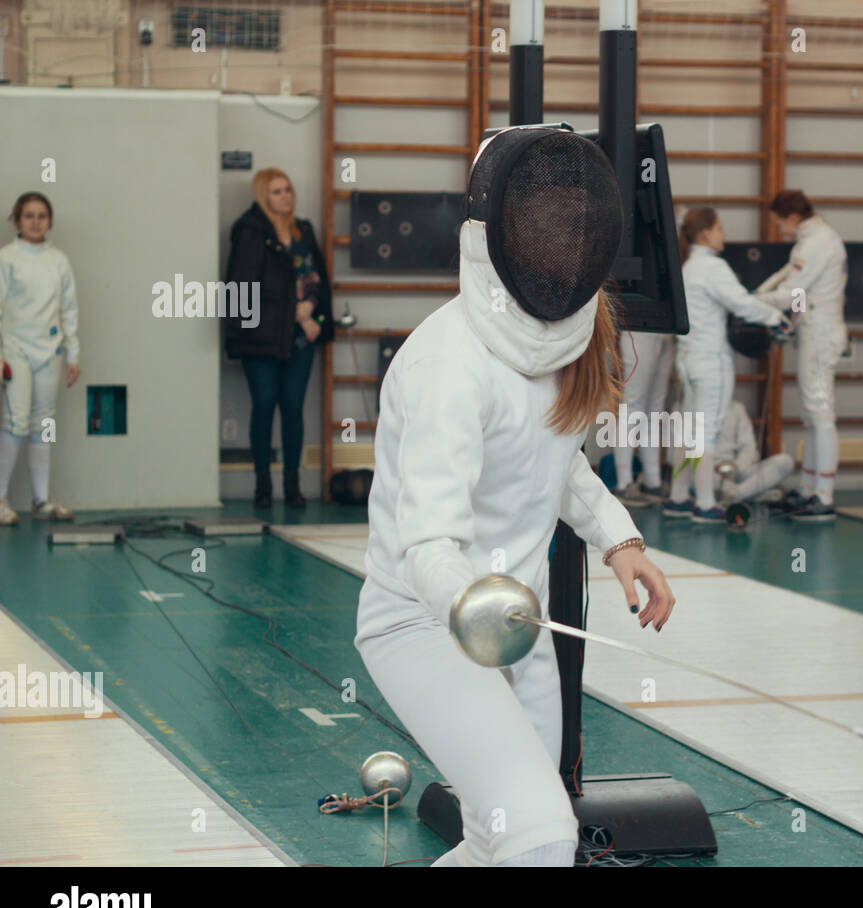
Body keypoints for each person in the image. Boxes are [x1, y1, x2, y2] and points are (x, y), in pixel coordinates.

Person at [353, 128, 675, 867]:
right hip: (425, 626)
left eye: (573, 220)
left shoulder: (571, 335)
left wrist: (621, 541)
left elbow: (551, 462)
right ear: (497, 229)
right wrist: (481, 613)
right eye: (541, 219)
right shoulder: (446, 363)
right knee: (541, 836)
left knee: (505, 840)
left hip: (518, 628)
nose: (559, 237)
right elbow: (427, 543)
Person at [666, 207, 786, 523]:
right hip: (710, 362)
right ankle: (705, 504)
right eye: (719, 228)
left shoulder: (688, 266)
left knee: (688, 432)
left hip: (687, 360)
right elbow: (741, 303)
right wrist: (775, 317)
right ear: (705, 233)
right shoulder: (712, 267)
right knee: (705, 434)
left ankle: (678, 498)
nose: (724, 234)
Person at [224, 168, 335, 509]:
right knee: (264, 405)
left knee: (293, 408)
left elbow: (318, 282)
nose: (285, 196)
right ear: (263, 196)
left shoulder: (304, 230)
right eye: (276, 191)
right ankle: (262, 485)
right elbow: (246, 290)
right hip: (262, 338)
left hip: (301, 338)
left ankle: (292, 485)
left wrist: (314, 317)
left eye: (287, 189)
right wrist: (295, 313)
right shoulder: (251, 233)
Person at [754, 190, 848, 522]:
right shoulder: (814, 240)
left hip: (821, 334)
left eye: (779, 223)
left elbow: (791, 293)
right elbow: (798, 293)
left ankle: (823, 495)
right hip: (813, 331)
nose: (779, 229)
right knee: (812, 414)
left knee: (821, 413)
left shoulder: (817, 242)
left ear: (792, 217)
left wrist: (754, 302)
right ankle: (810, 490)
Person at [0, 192, 79, 525]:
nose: (35, 222)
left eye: (41, 216)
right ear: (18, 221)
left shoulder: (58, 261)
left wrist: (73, 354)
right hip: (14, 350)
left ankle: (41, 500)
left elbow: (69, 310)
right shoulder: (6, 259)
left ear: (49, 221)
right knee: (16, 423)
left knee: (43, 425)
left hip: (50, 352)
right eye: (29, 216)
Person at [612, 328, 673, 507]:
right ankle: (624, 484)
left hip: (666, 332)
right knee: (633, 406)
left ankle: (652, 482)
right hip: (638, 331)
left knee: (655, 410)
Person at [714, 400, 794, 503]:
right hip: (710, 474)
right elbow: (690, 453)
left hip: (737, 471)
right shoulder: (693, 408)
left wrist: (736, 468)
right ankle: (751, 494)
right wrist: (712, 467)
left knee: (785, 462)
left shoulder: (737, 408)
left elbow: (749, 448)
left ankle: (736, 495)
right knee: (694, 476)